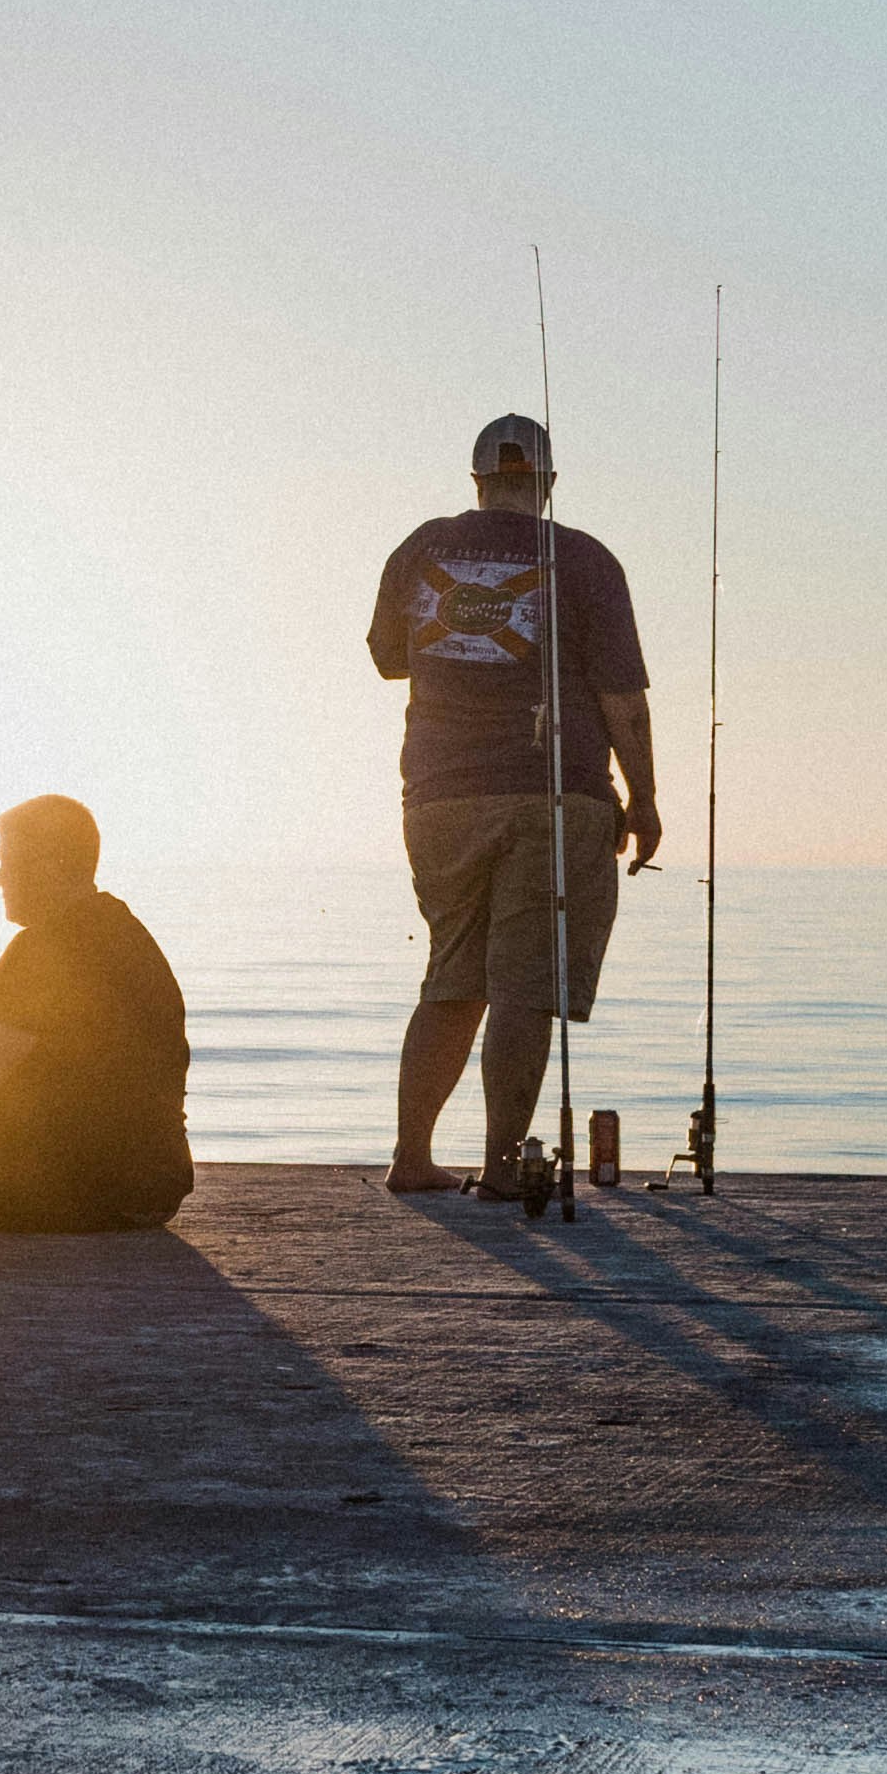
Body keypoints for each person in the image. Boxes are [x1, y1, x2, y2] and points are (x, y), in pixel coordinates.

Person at [371, 416, 659, 1197]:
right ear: (549, 483)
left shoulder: (421, 548)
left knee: (451, 980)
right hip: (553, 796)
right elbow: (621, 698)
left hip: (438, 800)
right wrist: (645, 795)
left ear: (476, 483)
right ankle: (502, 1169)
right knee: (527, 985)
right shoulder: (585, 558)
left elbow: (388, 658)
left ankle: (412, 1158)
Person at [0, 796, 193, 1235]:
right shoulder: (120, 930)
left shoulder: (43, 949)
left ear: (49, 864)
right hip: (153, 1187)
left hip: (84, 1189)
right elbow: (66, 1052)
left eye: (6, 862)